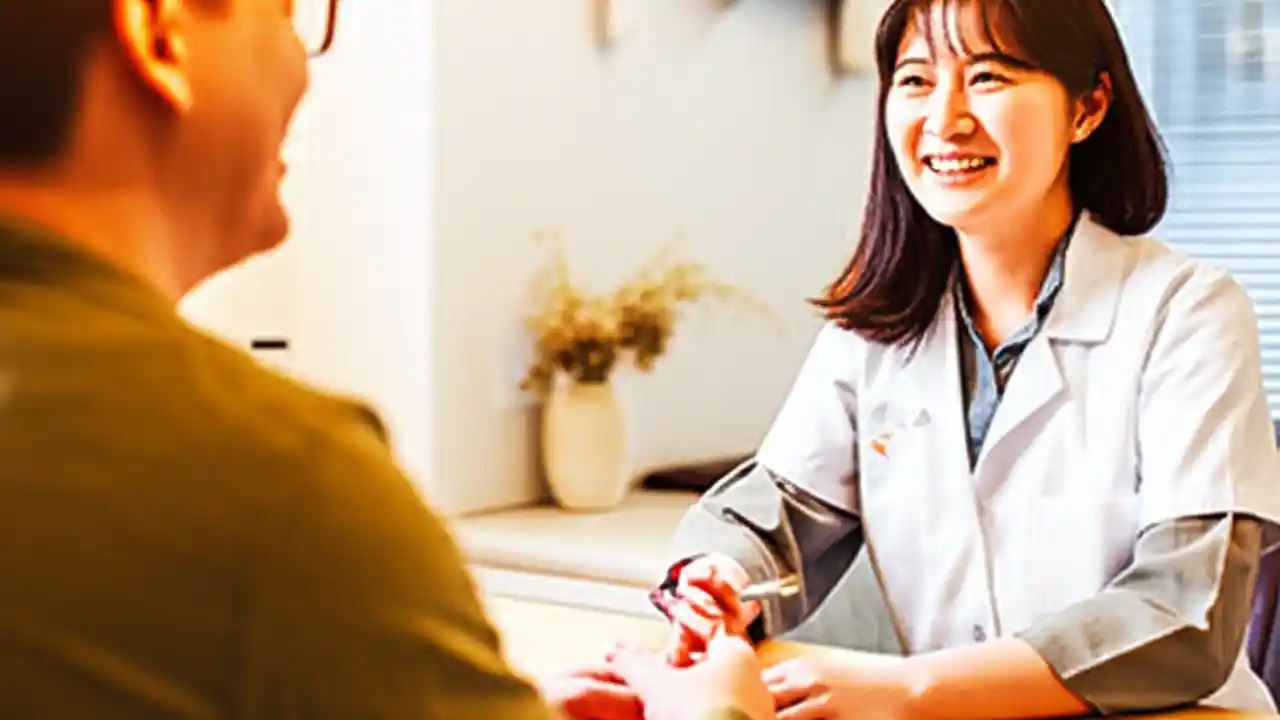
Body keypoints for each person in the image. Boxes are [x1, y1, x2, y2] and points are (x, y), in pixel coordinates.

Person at [0, 1, 776, 718]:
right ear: (160, 34)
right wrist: (719, 707)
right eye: (289, 12)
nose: (308, 65)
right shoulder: (278, 486)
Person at [653, 0, 1280, 717]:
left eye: (988, 77)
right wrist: (716, 578)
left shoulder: (1189, 311)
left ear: (1088, 107)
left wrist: (909, 689)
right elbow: (774, 517)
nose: (945, 119)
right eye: (916, 80)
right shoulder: (873, 333)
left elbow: (1187, 613)